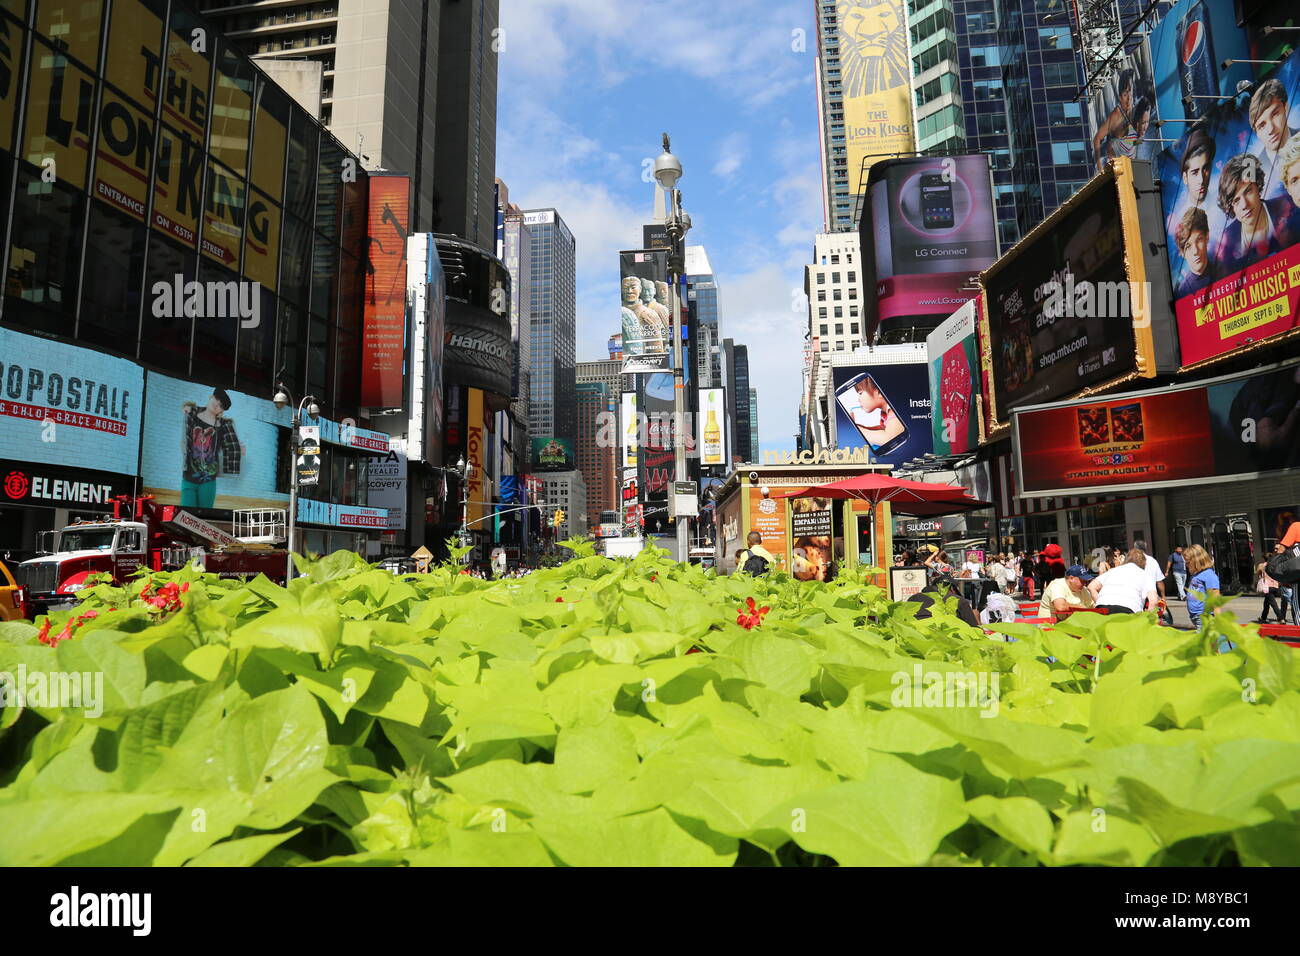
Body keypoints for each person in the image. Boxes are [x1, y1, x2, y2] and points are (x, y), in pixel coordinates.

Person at [1215, 153, 1285, 276]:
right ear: (1230, 208)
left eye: (1248, 191)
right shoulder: (1226, 247)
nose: (1244, 204)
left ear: (1257, 186)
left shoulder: (1287, 207)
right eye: (1236, 201)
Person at [181, 388, 243, 509]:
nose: (216, 405)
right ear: (211, 397)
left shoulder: (223, 425)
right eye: (216, 399)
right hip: (189, 476)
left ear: (221, 411)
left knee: (204, 516)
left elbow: (231, 447)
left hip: (208, 479)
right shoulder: (192, 414)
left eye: (221, 406)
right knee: (186, 515)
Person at [1250, 78, 1298, 200]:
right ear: (1257, 133)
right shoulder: (1255, 174)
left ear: (1285, 108)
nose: (1271, 129)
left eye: (1275, 114)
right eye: (1262, 125)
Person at [1089, 548, 1157, 614]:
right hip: (1128, 609)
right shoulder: (1145, 575)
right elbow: (1153, 601)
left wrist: (1101, 602)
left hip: (1102, 608)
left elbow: (1091, 586)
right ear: (1144, 563)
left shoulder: (1113, 571)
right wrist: (1148, 618)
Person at [906, 573, 981, 629]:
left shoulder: (913, 598)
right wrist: (977, 618)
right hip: (945, 641)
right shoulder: (958, 600)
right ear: (952, 589)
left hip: (913, 637)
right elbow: (975, 632)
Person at [1173, 207, 1214, 298]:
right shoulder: (1183, 293)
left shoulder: (1225, 266)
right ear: (1182, 253)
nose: (1195, 251)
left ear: (1207, 237)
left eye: (1199, 240)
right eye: (1188, 246)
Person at [1184, 544, 1221, 633]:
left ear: (1196, 561)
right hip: (1196, 616)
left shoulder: (1209, 575)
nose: (1186, 565)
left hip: (1204, 616)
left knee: (1205, 642)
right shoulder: (1196, 575)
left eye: (1188, 562)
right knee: (1208, 643)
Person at [1255, 554, 1289, 624]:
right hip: (1276, 586)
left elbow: (1258, 573)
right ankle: (1263, 618)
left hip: (1267, 587)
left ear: (1264, 558)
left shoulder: (1262, 565)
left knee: (1274, 604)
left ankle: (1281, 618)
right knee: (1266, 603)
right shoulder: (1275, 566)